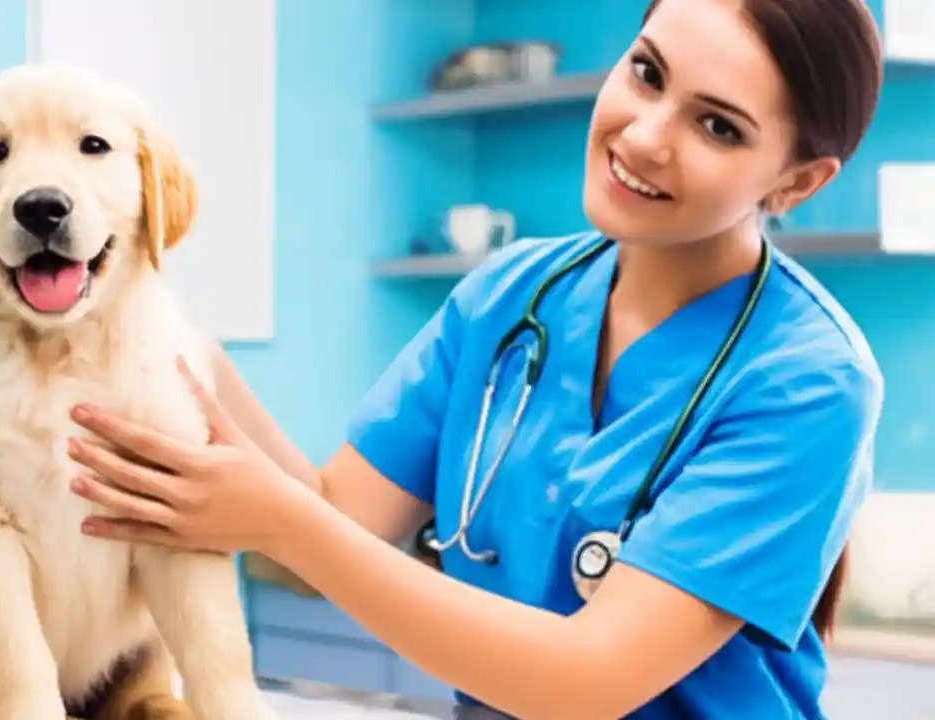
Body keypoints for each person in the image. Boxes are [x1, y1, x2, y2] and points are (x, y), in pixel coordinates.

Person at [64, 0, 886, 716]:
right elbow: (323, 534)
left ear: (797, 182)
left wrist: (281, 517)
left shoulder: (808, 381)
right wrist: (173, 347)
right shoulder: (507, 298)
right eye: (645, 72)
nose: (643, 135)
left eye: (717, 125)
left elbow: (585, 685)